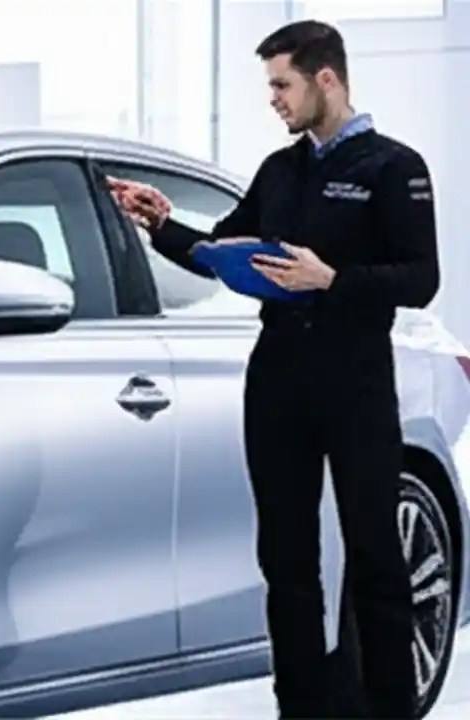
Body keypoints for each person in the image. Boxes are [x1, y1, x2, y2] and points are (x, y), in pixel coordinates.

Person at [110, 19, 440, 720]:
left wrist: (334, 279)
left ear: (327, 80)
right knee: (285, 564)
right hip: (280, 380)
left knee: (376, 555)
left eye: (282, 84)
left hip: (355, 379)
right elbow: (225, 249)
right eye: (270, 87)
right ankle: (301, 708)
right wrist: (162, 225)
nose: (275, 100)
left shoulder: (394, 167)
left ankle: (390, 709)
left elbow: (422, 279)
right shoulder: (280, 170)